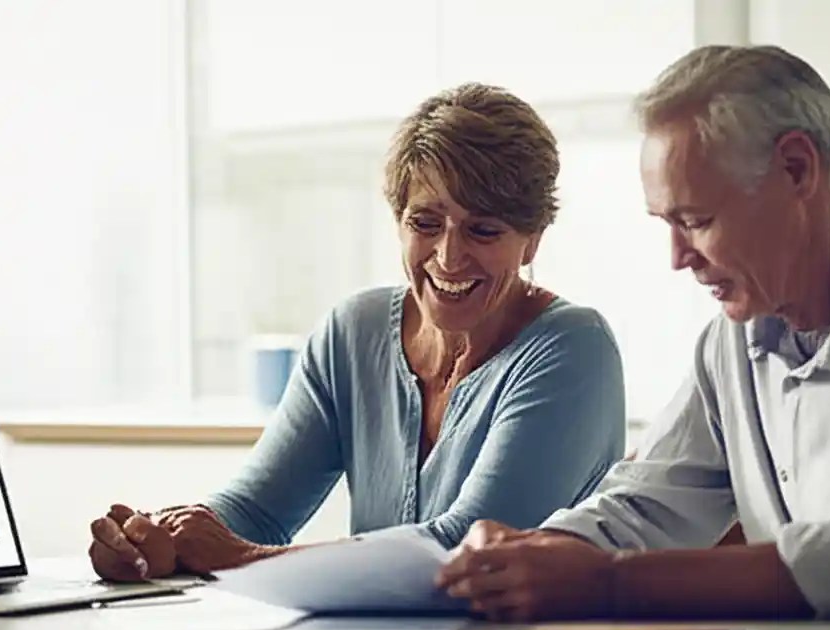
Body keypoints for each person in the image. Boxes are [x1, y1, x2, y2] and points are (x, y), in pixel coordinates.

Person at [438, 45, 830, 630]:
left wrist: (607, 581)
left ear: (797, 169)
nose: (678, 258)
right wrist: (532, 555)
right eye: (666, 224)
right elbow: (645, 506)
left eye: (695, 220)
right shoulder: (730, 347)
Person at [88, 83, 626, 581]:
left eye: (483, 230)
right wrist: (159, 539)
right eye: (425, 223)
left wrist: (245, 558)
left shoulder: (573, 348)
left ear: (532, 241)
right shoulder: (353, 332)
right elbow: (256, 511)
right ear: (398, 221)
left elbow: (466, 549)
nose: (448, 256)